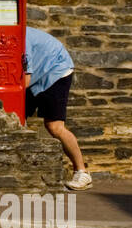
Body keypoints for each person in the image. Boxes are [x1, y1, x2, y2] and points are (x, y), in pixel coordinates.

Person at [23, 26, 90, 191]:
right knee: (17, 118)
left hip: (55, 70)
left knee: (55, 126)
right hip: (38, 73)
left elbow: (25, 80)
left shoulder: (23, 41)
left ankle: (82, 173)